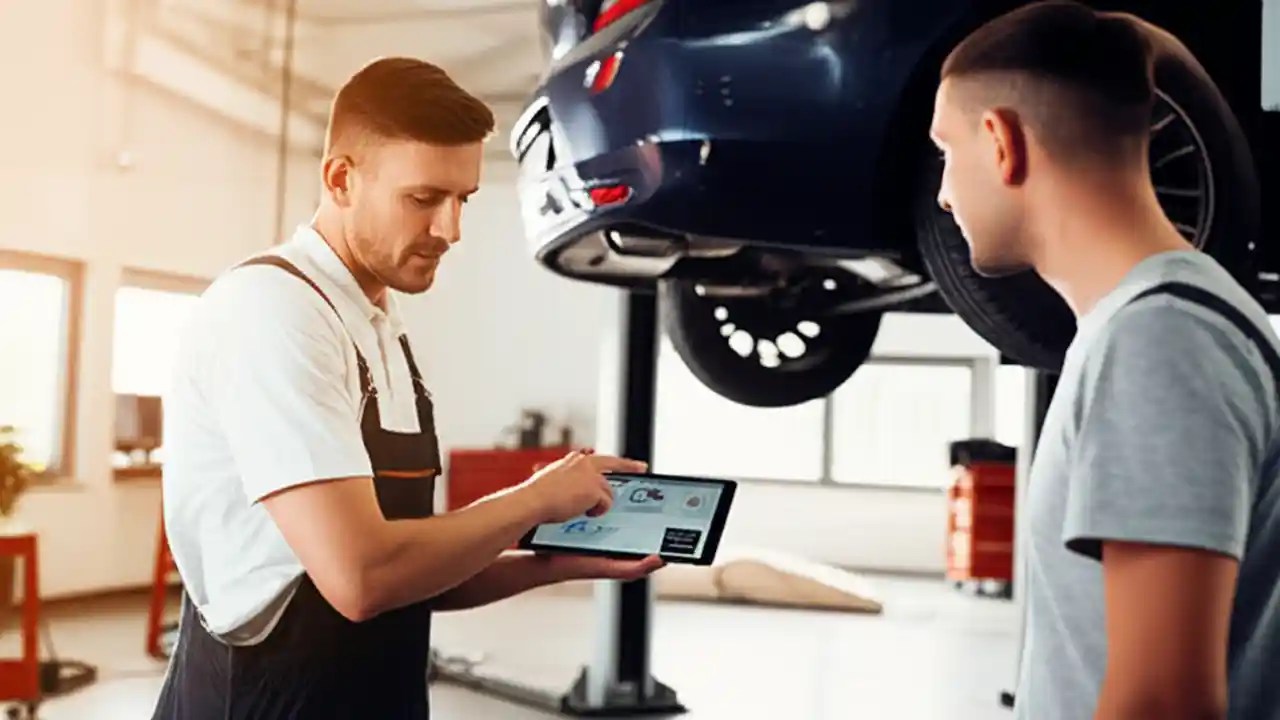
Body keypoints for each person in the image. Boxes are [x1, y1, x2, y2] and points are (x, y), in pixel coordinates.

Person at [150, 57, 664, 720]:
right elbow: (362, 579)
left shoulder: (376, 325)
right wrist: (535, 497)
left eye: (463, 200)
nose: (450, 230)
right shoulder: (273, 311)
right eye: (424, 199)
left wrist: (559, 563)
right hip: (261, 701)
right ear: (341, 179)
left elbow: (414, 567)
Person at [930, 3, 1279, 719]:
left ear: (1000, 142)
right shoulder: (1152, 323)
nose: (942, 191)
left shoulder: (1160, 339)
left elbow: (1164, 701)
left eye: (946, 152)